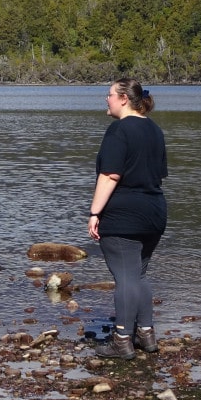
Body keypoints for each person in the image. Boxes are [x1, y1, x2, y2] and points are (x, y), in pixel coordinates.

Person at [88, 78, 168, 359]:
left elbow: (111, 175)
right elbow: (157, 175)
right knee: (138, 274)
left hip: (125, 214)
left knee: (125, 277)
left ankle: (122, 339)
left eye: (108, 94)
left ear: (123, 98)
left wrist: (95, 212)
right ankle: (146, 334)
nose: (105, 99)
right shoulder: (155, 130)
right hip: (155, 212)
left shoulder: (119, 130)